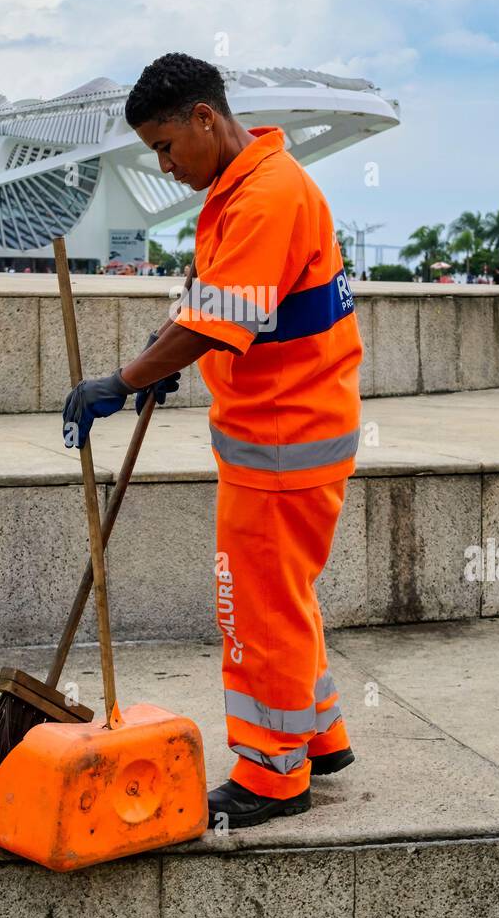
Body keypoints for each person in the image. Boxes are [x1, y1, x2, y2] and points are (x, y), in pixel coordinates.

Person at [62, 53, 362, 829]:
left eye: (166, 147)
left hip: (283, 438)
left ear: (205, 118)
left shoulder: (266, 197)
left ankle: (271, 774)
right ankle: (319, 735)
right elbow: (212, 302)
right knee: (283, 594)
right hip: (291, 428)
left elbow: (213, 318)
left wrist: (124, 380)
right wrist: (162, 355)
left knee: (253, 608)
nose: (163, 166)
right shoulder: (245, 189)